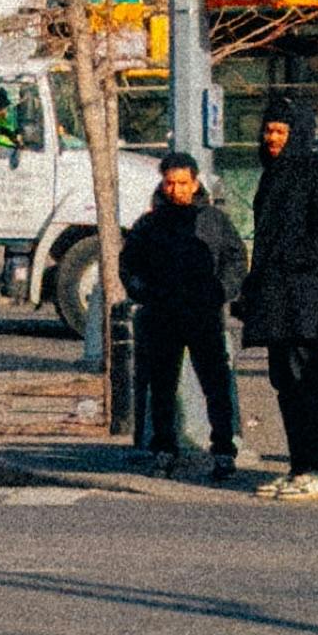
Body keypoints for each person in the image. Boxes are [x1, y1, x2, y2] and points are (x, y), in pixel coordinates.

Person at [240, 100, 318, 500]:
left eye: (281, 131)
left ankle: (317, 469)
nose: (272, 138)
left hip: (307, 300)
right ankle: (298, 466)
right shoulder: (272, 175)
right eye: (268, 130)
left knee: (307, 383)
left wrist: (287, 260)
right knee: (285, 383)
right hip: (277, 297)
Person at [120, 148, 248, 481]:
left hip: (203, 313)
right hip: (162, 314)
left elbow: (236, 258)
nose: (177, 190)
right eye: (170, 183)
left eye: (183, 183)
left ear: (195, 184)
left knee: (216, 384)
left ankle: (222, 449)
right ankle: (164, 446)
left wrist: (222, 290)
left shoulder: (214, 220)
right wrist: (143, 291)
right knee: (162, 385)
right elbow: (129, 264)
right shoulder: (149, 224)